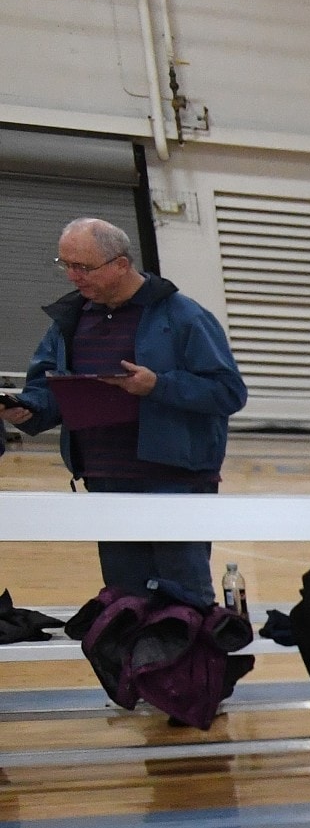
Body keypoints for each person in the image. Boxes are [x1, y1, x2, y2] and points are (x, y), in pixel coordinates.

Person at [1, 218, 245, 606]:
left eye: (82, 266)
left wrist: (158, 386)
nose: (72, 276)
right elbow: (47, 390)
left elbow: (228, 392)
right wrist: (24, 410)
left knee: (184, 603)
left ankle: (192, 668)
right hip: (105, 481)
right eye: (64, 264)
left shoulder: (184, 317)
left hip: (175, 482)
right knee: (125, 607)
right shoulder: (71, 319)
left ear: (120, 264)